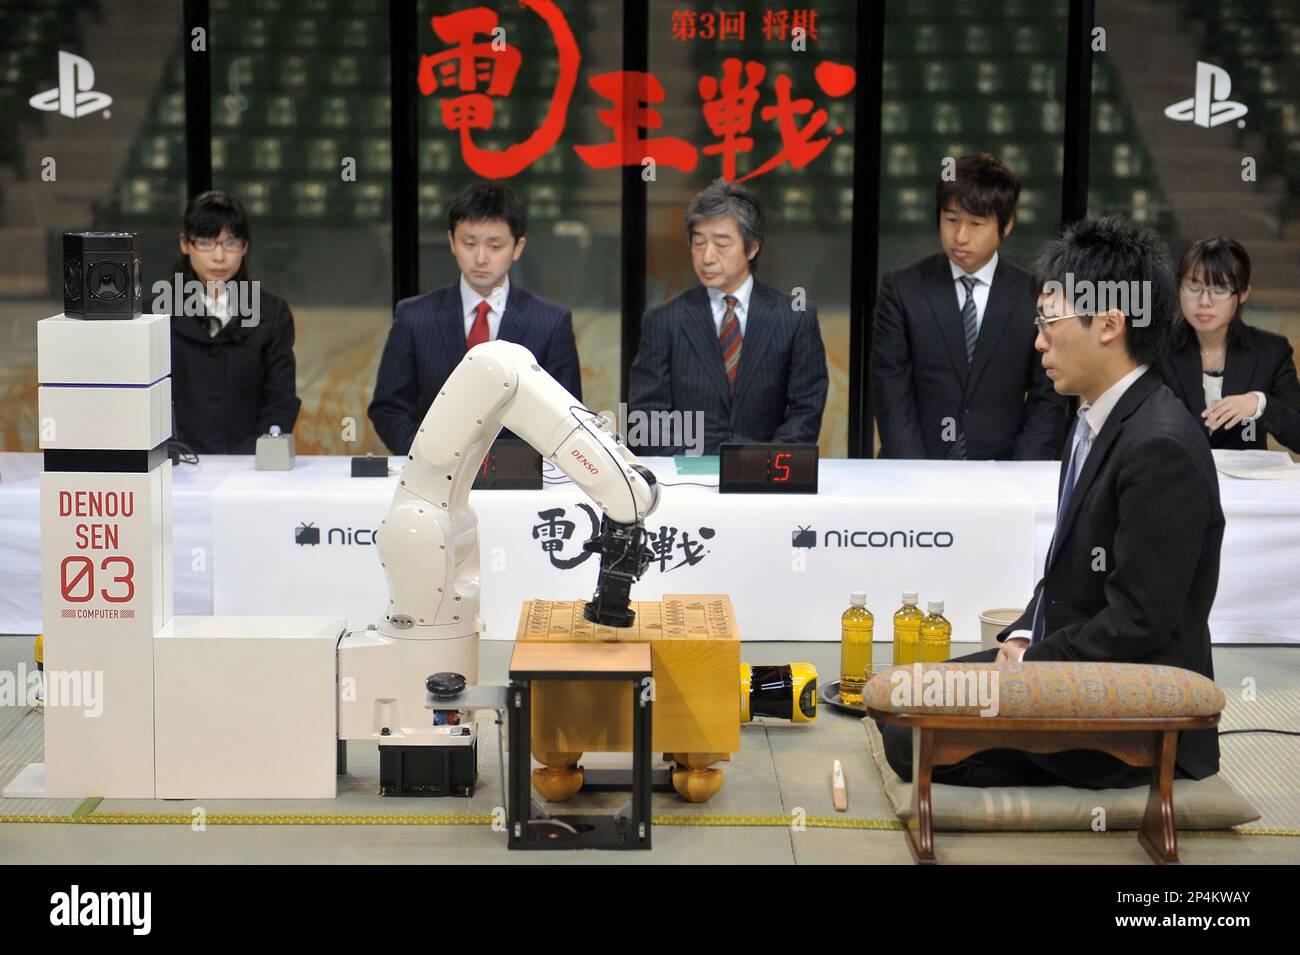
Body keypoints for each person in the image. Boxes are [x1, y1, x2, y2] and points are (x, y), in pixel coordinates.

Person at [880, 214, 1223, 788]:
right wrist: (1019, 638)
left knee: (909, 731)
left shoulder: (1159, 443)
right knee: (905, 693)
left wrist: (1032, 668)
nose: (1037, 339)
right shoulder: (1096, 417)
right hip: (1066, 655)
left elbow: (1138, 622)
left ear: (1109, 323)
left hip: (1125, 704)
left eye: (1050, 320)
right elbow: (1066, 577)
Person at [872, 153, 1066, 459]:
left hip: (1006, 475)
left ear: (1006, 225)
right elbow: (891, 392)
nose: (960, 237)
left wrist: (1020, 472)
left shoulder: (1035, 295)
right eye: (951, 220)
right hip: (915, 473)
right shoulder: (902, 290)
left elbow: (1049, 394)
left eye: (976, 223)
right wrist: (914, 475)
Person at [368, 182, 581, 455]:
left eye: (495, 245)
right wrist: (430, 457)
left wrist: (515, 465)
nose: (481, 258)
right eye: (469, 243)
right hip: (433, 474)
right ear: (452, 242)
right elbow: (389, 409)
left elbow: (566, 418)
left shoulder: (551, 322)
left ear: (517, 247)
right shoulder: (414, 317)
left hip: (522, 480)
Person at [628, 178, 827, 456]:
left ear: (752, 247)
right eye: (698, 244)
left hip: (768, 477)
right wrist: (692, 464)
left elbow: (806, 410)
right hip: (687, 480)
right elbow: (646, 417)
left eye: (721, 245)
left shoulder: (794, 318)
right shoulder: (664, 321)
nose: (707, 257)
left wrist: (764, 464)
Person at [166, 190, 300, 454]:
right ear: (185, 244)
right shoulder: (154, 314)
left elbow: (280, 398)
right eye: (206, 242)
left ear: (245, 246)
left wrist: (256, 453)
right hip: (176, 466)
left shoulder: (272, 313)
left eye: (230, 243)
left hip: (252, 466)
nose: (219, 256)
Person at [1160, 237, 1300, 453]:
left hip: (1244, 484)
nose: (1204, 301)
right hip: (1177, 480)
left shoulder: (1270, 352)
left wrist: (1260, 404)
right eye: (1193, 288)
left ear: (1243, 294)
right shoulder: (1158, 347)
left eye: (1219, 290)